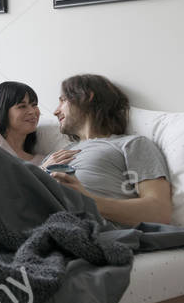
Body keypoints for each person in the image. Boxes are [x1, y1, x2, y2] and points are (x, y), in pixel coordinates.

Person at [42, 73, 173, 227]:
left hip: (78, 227)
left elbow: (159, 212)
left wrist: (86, 201)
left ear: (86, 97)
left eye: (63, 100)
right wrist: (40, 171)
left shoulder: (131, 144)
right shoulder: (54, 157)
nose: (55, 111)